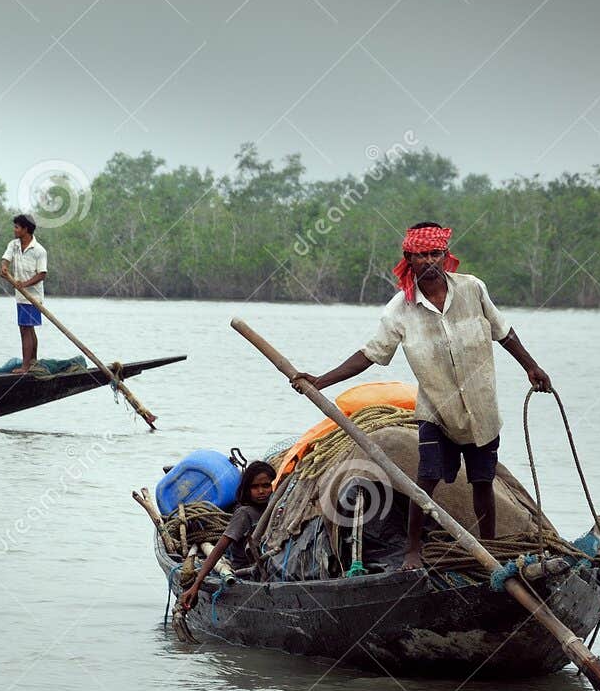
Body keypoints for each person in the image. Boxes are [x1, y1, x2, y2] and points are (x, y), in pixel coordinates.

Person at [292, 222, 551, 571]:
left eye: (435, 254)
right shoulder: (400, 309)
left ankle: (491, 554)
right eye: (421, 255)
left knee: (482, 482)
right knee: (425, 481)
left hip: (481, 408)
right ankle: (413, 550)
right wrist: (321, 381)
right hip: (436, 411)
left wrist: (531, 367)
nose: (429, 261)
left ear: (445, 256)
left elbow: (503, 332)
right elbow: (371, 354)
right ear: (409, 260)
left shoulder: (472, 290)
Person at [179, 460, 276, 611]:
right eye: (255, 487)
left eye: (266, 485)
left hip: (269, 569)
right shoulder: (245, 514)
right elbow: (220, 548)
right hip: (246, 572)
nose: (261, 491)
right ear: (246, 489)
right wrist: (197, 584)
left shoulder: (276, 509)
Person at [0, 214, 48, 373]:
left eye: (17, 227)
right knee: (27, 329)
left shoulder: (39, 250)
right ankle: (32, 362)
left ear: (25, 229)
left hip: (32, 297)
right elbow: (6, 259)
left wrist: (24, 285)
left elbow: (42, 274)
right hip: (21, 296)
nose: (14, 230)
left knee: (26, 329)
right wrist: (4, 267)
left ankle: (26, 367)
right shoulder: (13, 245)